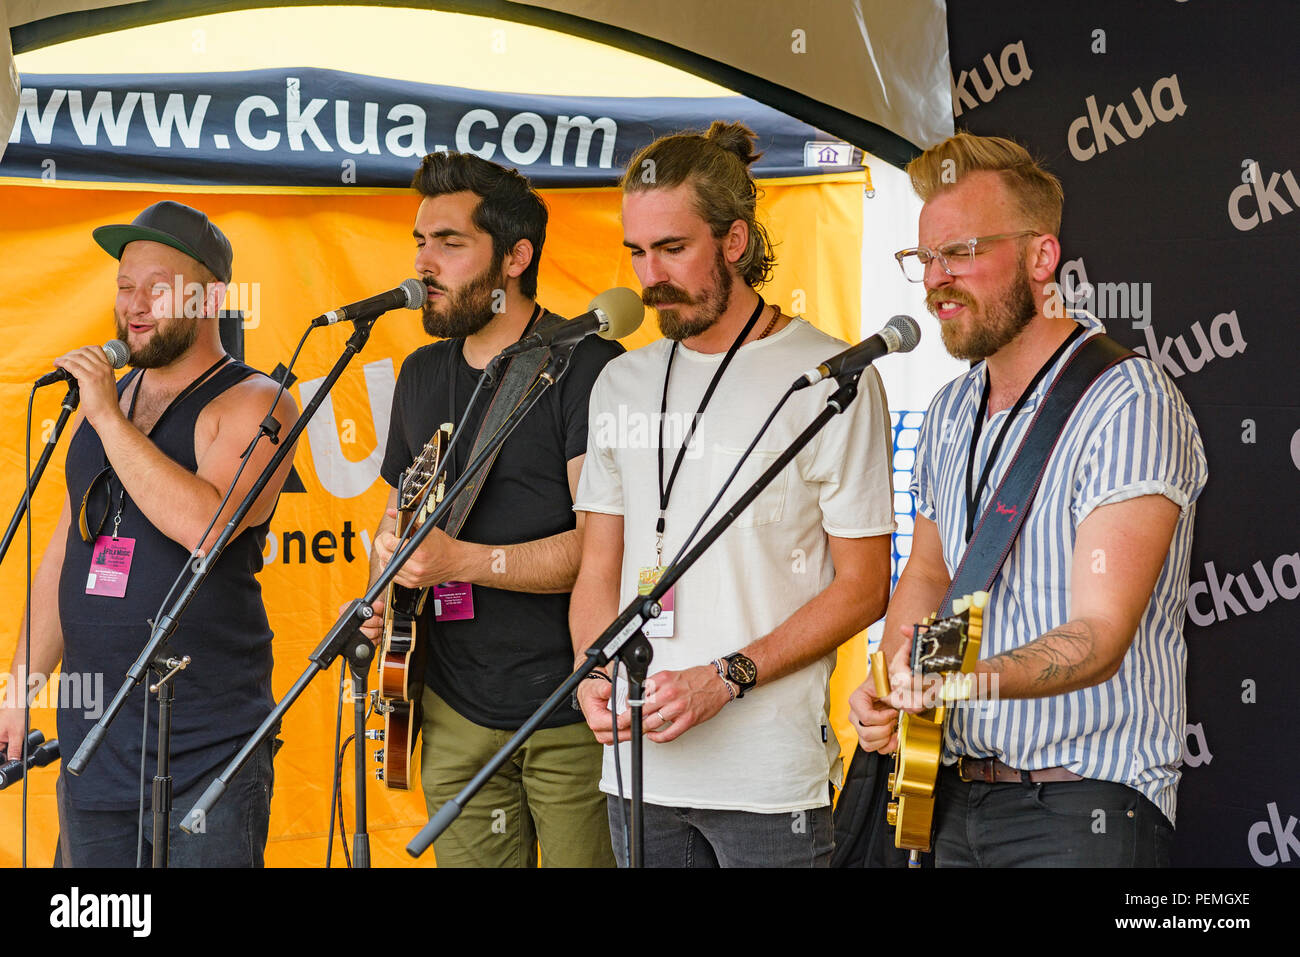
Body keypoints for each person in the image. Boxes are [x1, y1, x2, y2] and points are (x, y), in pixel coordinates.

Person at [849, 133, 1208, 867]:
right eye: (925, 259)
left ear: (1041, 258)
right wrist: (889, 682)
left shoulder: (1127, 399)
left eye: (961, 253)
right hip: (947, 794)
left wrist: (957, 676)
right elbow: (928, 573)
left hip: (1083, 803)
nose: (936, 281)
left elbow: (1100, 634)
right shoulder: (949, 410)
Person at [570, 121, 895, 867]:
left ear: (736, 241)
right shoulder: (620, 379)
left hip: (769, 781)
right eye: (637, 251)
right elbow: (600, 565)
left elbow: (865, 586)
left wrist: (728, 677)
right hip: (637, 774)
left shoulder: (831, 377)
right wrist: (592, 667)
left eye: (673, 248)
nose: (650, 275)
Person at [0, 200, 299, 866]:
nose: (133, 304)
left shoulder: (257, 401)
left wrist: (108, 418)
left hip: (206, 753)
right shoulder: (104, 404)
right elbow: (63, 555)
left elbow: (209, 527)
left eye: (157, 288)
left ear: (210, 295)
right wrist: (19, 691)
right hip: (93, 750)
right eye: (124, 286)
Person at [364, 151, 620, 868]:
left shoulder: (588, 364)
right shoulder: (419, 374)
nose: (424, 261)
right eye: (420, 240)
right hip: (449, 704)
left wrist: (457, 561)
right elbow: (396, 516)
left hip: (569, 707)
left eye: (449, 242)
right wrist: (386, 569)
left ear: (515, 256)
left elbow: (598, 548)